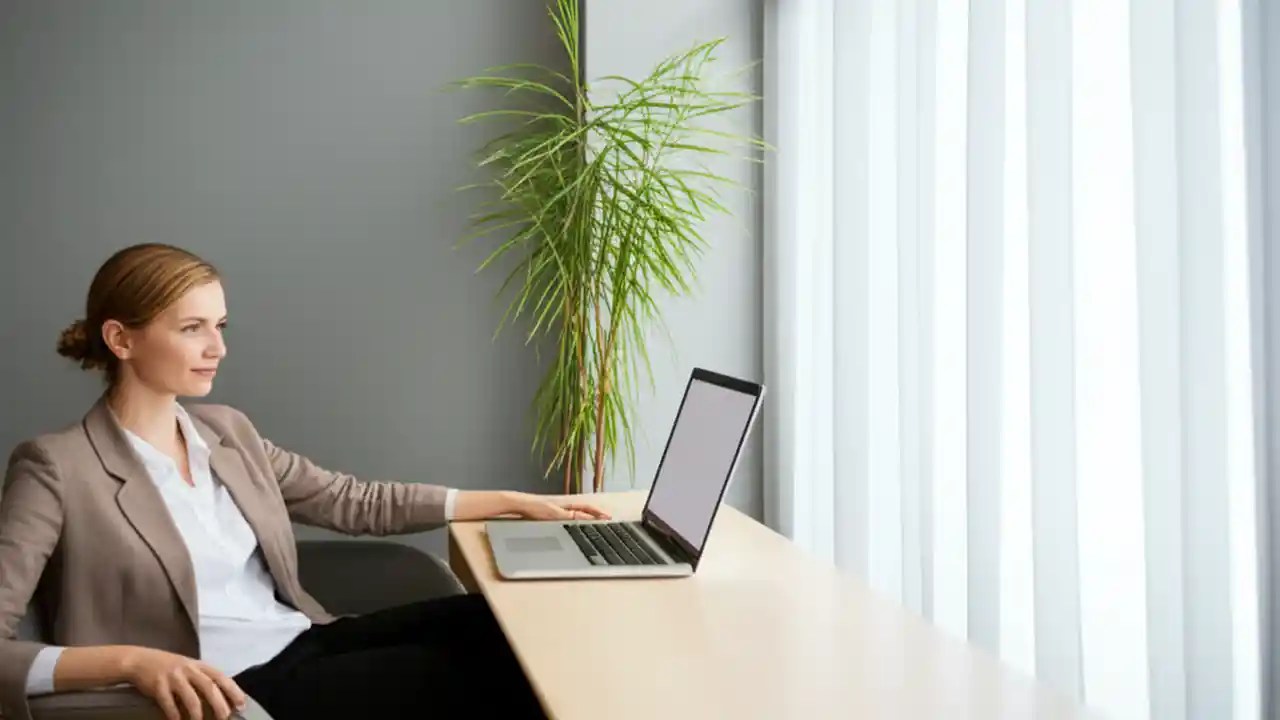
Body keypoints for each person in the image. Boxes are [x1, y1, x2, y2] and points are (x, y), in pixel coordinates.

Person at [0, 243, 610, 720]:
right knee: (476, 681)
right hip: (228, 691)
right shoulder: (55, 467)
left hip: (302, 641)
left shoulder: (224, 431)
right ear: (120, 338)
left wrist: (511, 503)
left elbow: (350, 501)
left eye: (221, 326)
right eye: (192, 329)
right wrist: (133, 663)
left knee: (507, 625)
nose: (217, 347)